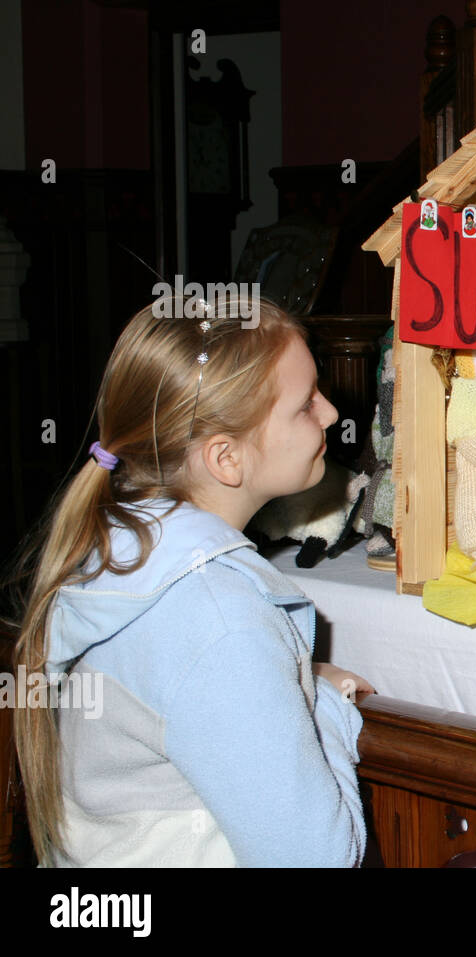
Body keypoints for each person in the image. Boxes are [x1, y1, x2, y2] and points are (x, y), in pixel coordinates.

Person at [10, 296, 372, 866]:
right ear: (226, 459)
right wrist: (324, 706)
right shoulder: (220, 621)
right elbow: (317, 857)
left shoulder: (115, 548)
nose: (330, 414)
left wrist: (293, 685)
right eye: (305, 405)